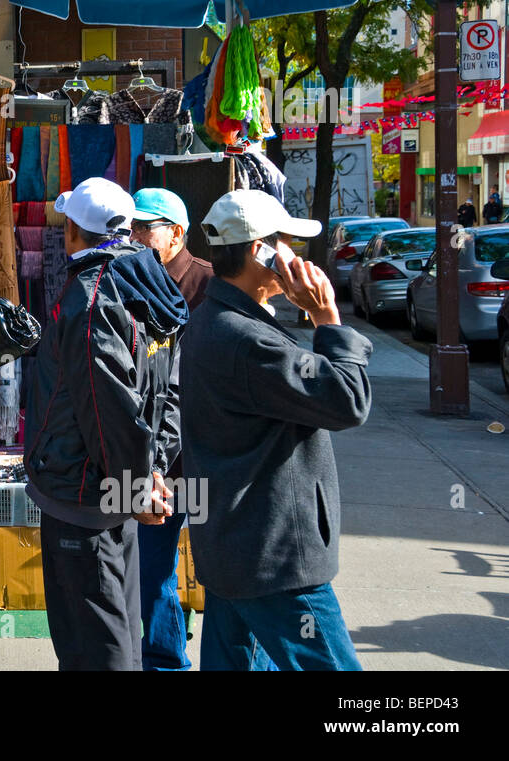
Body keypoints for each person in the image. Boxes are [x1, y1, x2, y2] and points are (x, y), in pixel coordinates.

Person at [182, 189, 371, 671]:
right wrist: (327, 317)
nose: (296, 255)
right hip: (276, 557)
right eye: (285, 242)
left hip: (235, 548)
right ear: (258, 251)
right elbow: (348, 402)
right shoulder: (246, 338)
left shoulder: (216, 318)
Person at [24, 178, 188, 671]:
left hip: (85, 489)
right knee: (112, 622)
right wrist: (152, 470)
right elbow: (167, 393)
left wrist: (138, 484)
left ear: (73, 229)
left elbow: (108, 406)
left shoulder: (93, 295)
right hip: (110, 484)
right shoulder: (145, 278)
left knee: (95, 636)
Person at [129, 187, 213, 672]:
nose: (136, 235)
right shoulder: (129, 278)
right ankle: (164, 659)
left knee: (218, 570)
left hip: (202, 455)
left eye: (146, 226)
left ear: (176, 233)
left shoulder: (208, 284)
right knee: (153, 568)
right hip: (150, 458)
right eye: (132, 227)